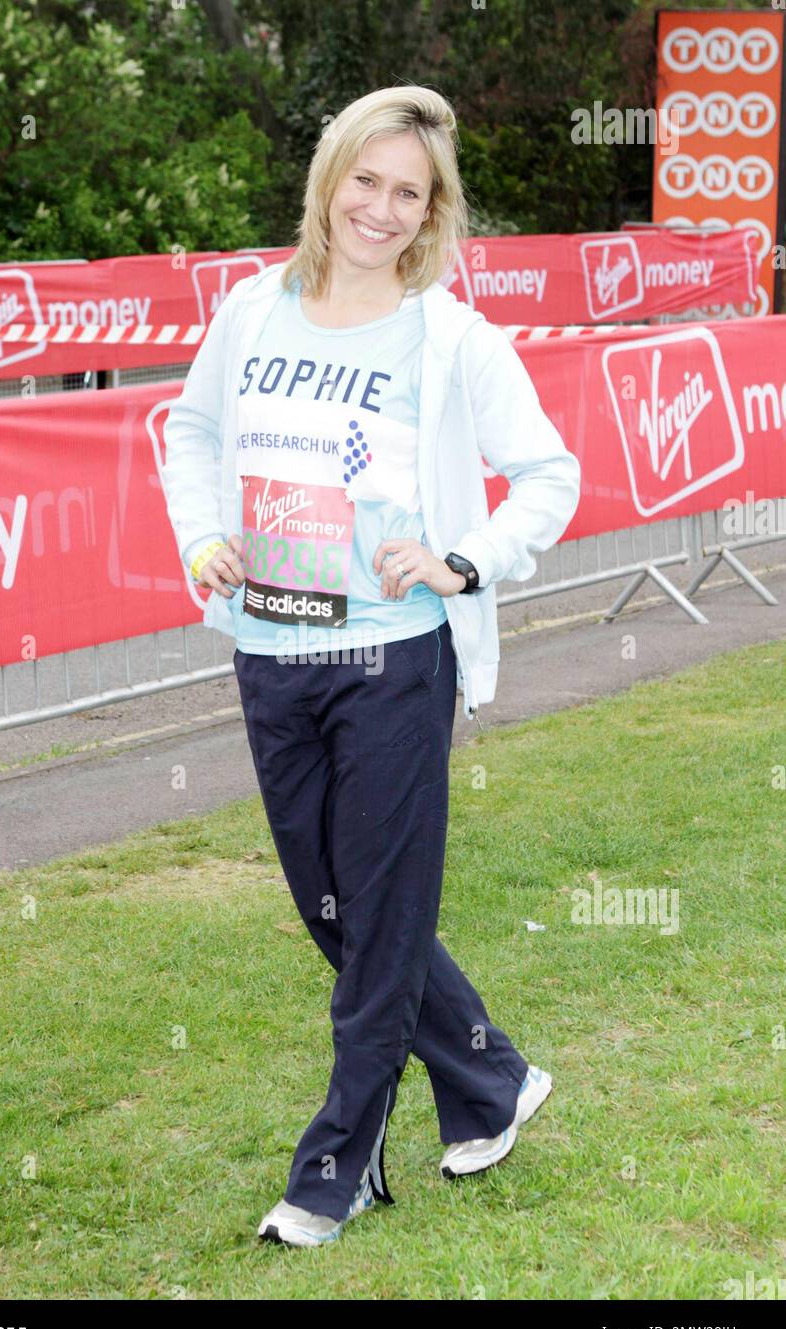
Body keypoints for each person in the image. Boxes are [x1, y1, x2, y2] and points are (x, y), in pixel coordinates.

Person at [160, 85, 581, 1248]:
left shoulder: (448, 336)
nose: (380, 209)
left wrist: (462, 559)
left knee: (381, 916)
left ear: (433, 211)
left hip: (393, 660)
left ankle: (332, 1168)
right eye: (366, 180)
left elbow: (547, 473)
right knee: (338, 909)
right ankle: (492, 1080)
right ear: (328, 179)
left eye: (409, 192)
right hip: (270, 650)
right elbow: (188, 434)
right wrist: (200, 534)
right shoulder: (250, 312)